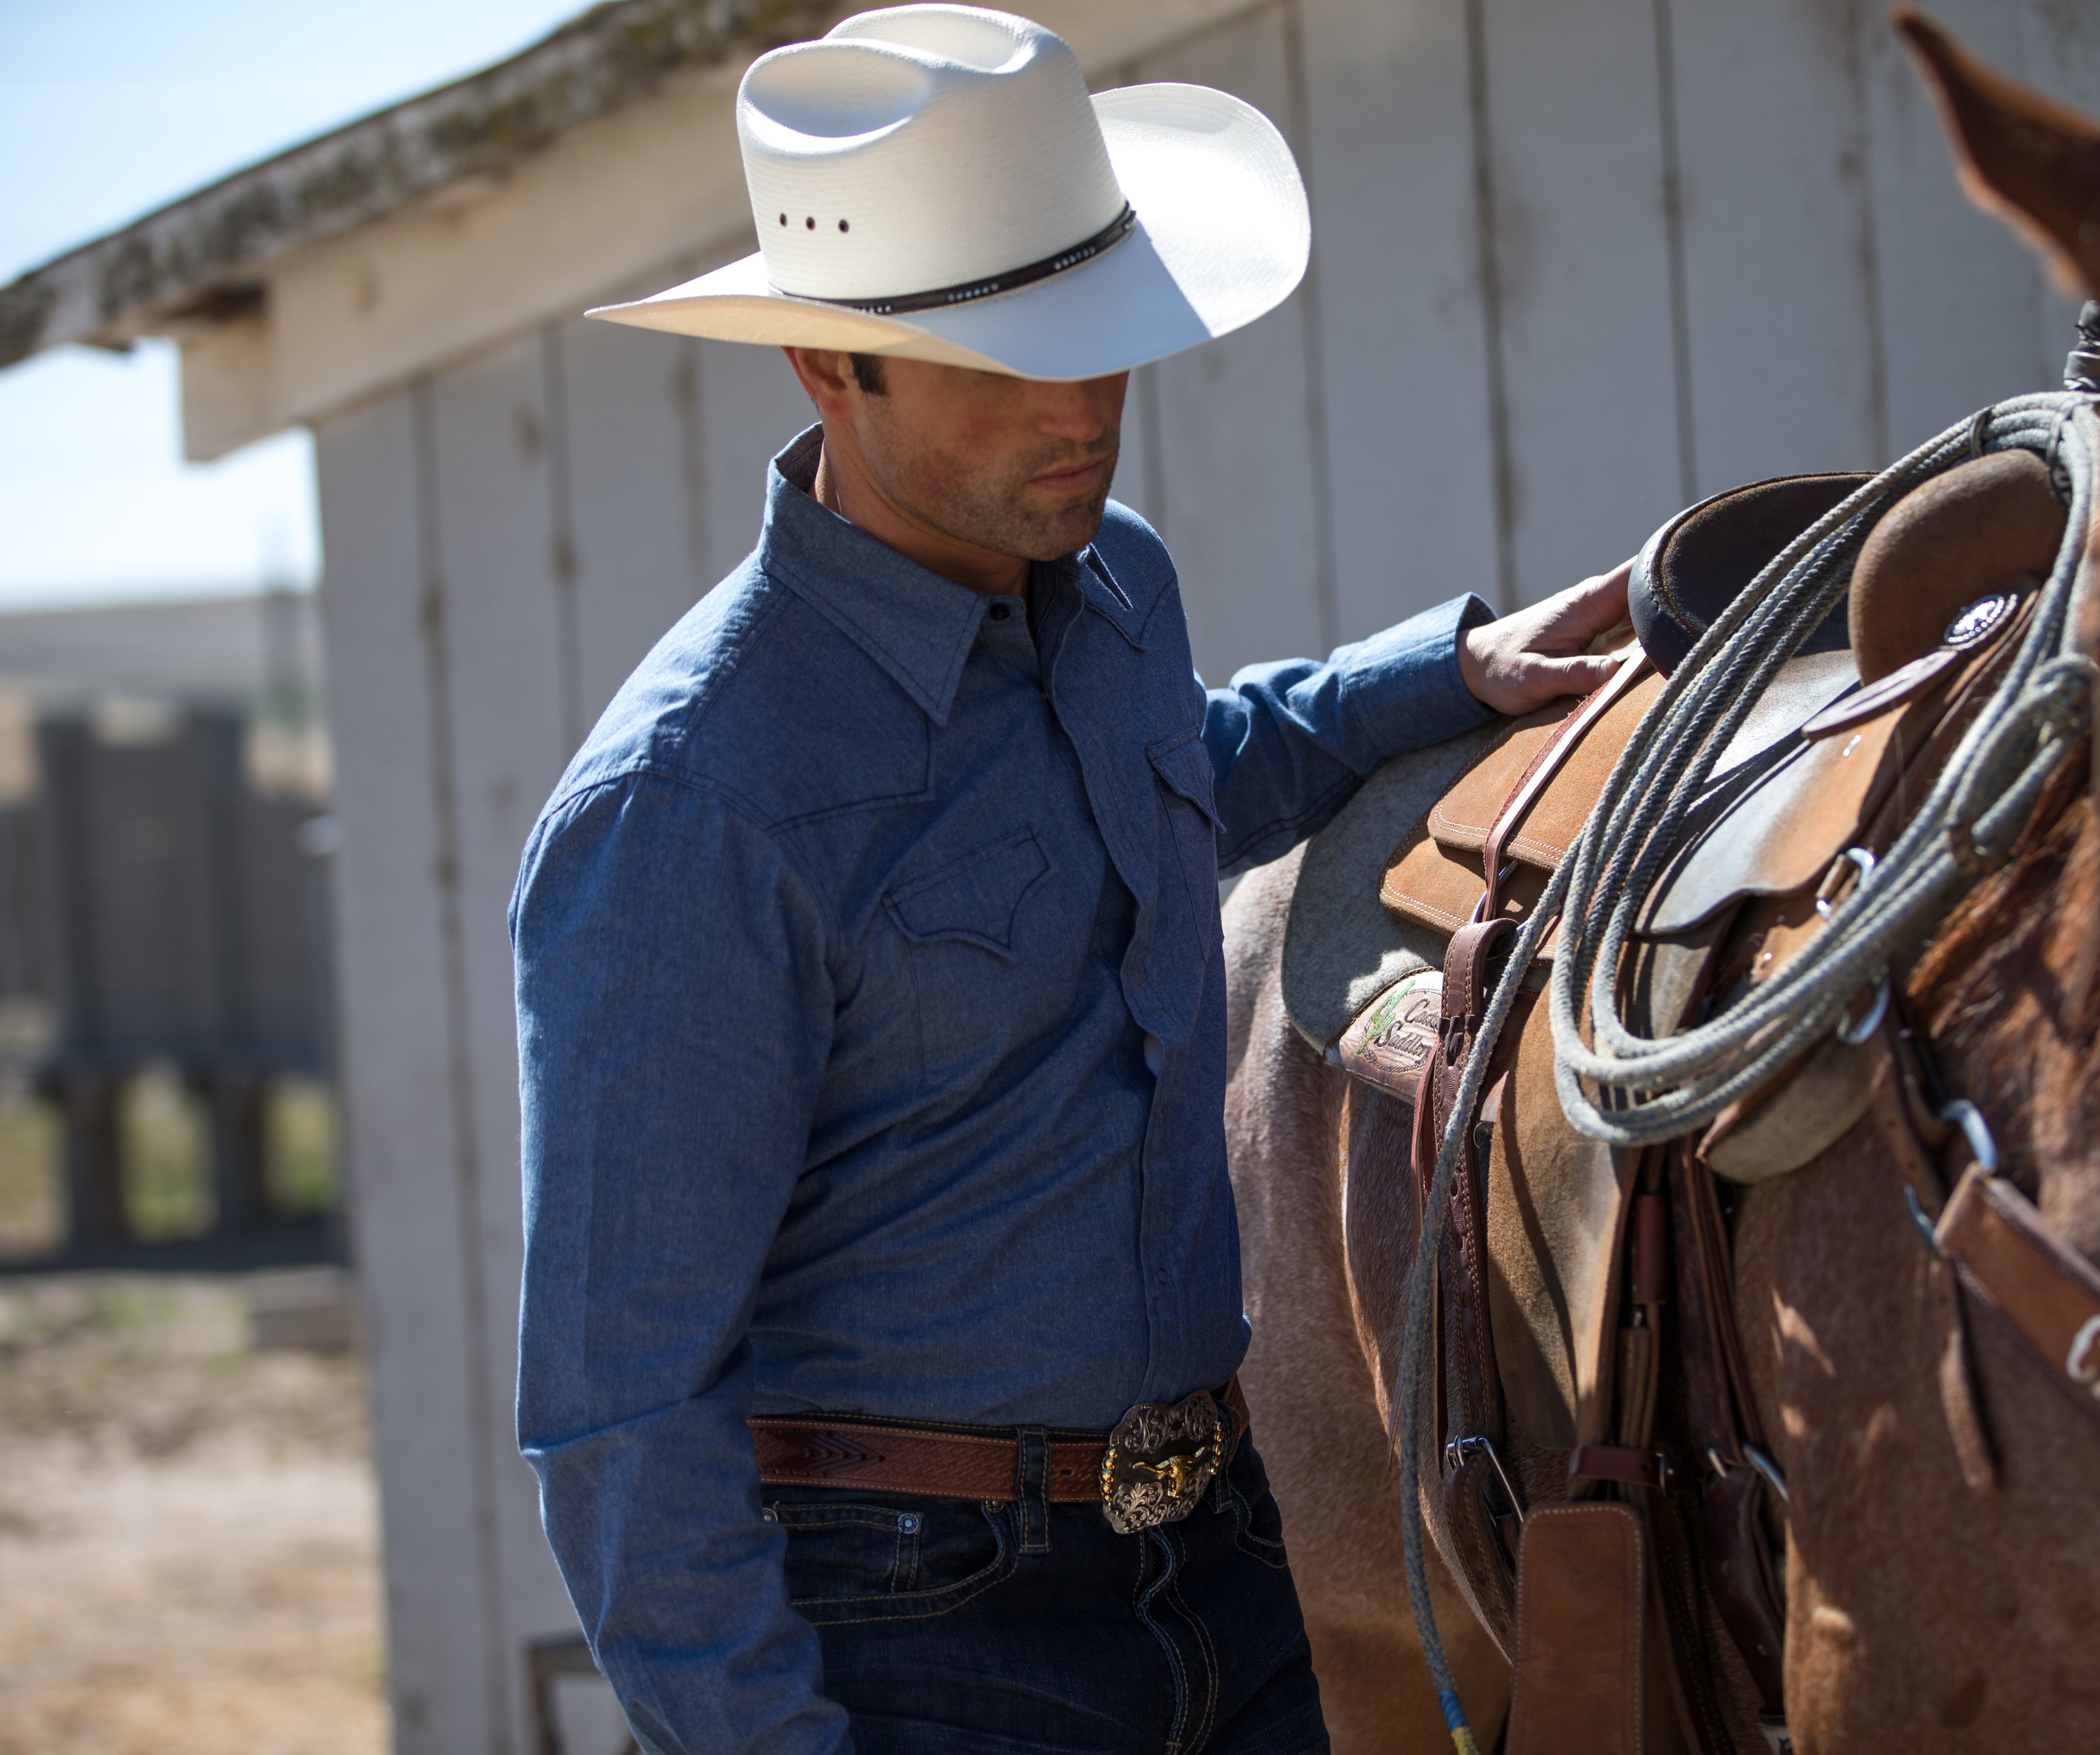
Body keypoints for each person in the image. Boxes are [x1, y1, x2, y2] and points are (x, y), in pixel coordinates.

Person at [510, 8, 1625, 1752]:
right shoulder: (693, 809)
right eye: (1003, 359)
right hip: (919, 1625)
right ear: (827, 364)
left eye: (1098, 339)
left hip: (1222, 1557)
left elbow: (1184, 769)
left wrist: (1442, 675)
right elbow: (619, 1404)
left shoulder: (1109, 591)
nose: (1079, 409)